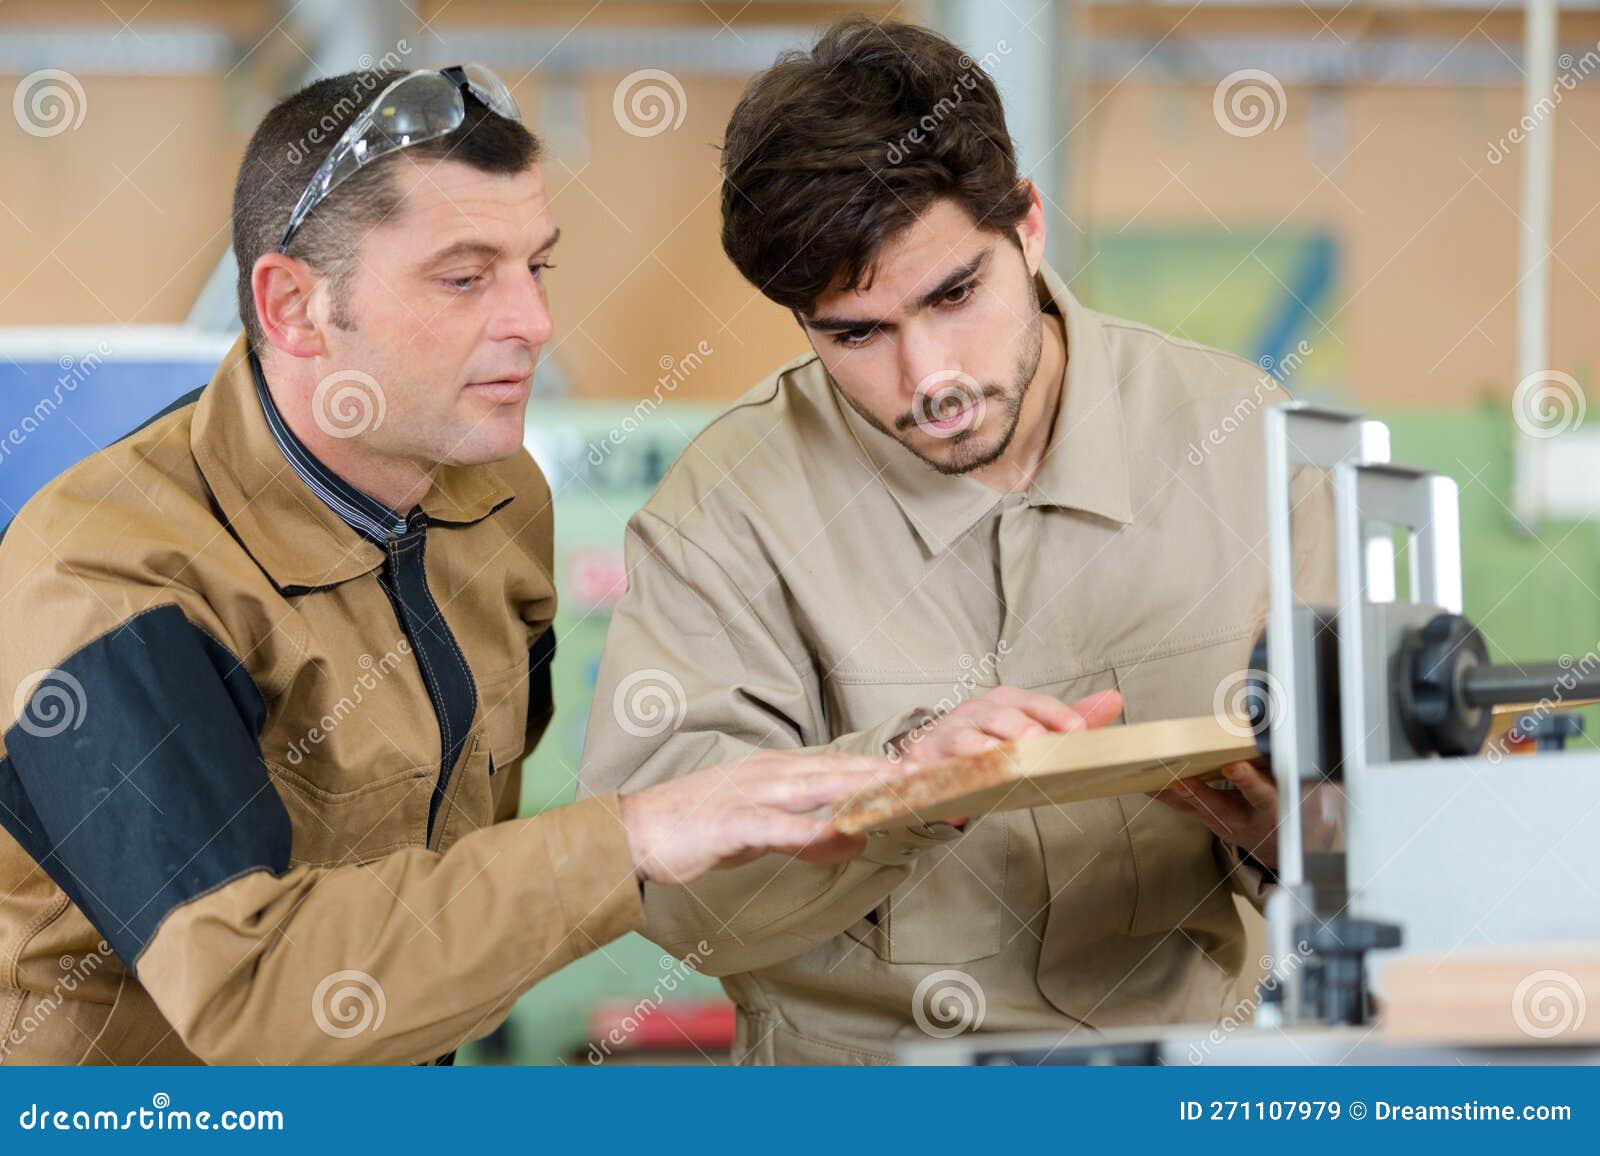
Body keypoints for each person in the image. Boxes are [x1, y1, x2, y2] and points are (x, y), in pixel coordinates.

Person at [0, 64, 896, 1067]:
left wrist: (905, 783)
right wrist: (634, 836)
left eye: (536, 267)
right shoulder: (105, 574)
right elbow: (251, 993)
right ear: (293, 306)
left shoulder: (499, 501)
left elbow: (460, 889)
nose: (534, 322)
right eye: (465, 278)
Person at [579, 19, 1332, 1064]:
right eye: (857, 333)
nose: (929, 378)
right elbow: (674, 902)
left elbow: (1410, 830)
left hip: (1185, 1077)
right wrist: (893, 786)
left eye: (954, 294)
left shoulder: (1248, 439)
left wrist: (1297, 838)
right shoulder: (719, 514)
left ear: (1028, 226)